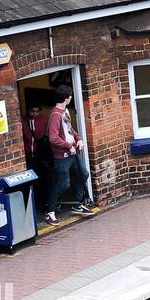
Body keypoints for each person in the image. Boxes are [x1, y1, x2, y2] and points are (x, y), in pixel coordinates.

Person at [44, 86, 94, 224]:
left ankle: (77, 203)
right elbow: (53, 138)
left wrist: (78, 139)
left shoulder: (64, 111)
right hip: (62, 157)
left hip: (72, 154)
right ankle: (50, 210)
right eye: (70, 95)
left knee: (83, 174)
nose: (71, 97)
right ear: (65, 97)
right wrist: (68, 146)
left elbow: (69, 128)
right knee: (63, 183)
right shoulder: (55, 115)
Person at [21, 103, 51, 208]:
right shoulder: (22, 121)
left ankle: (45, 203)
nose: (34, 114)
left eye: (37, 111)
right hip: (28, 156)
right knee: (30, 181)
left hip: (41, 156)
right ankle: (33, 203)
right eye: (32, 111)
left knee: (44, 180)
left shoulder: (44, 120)